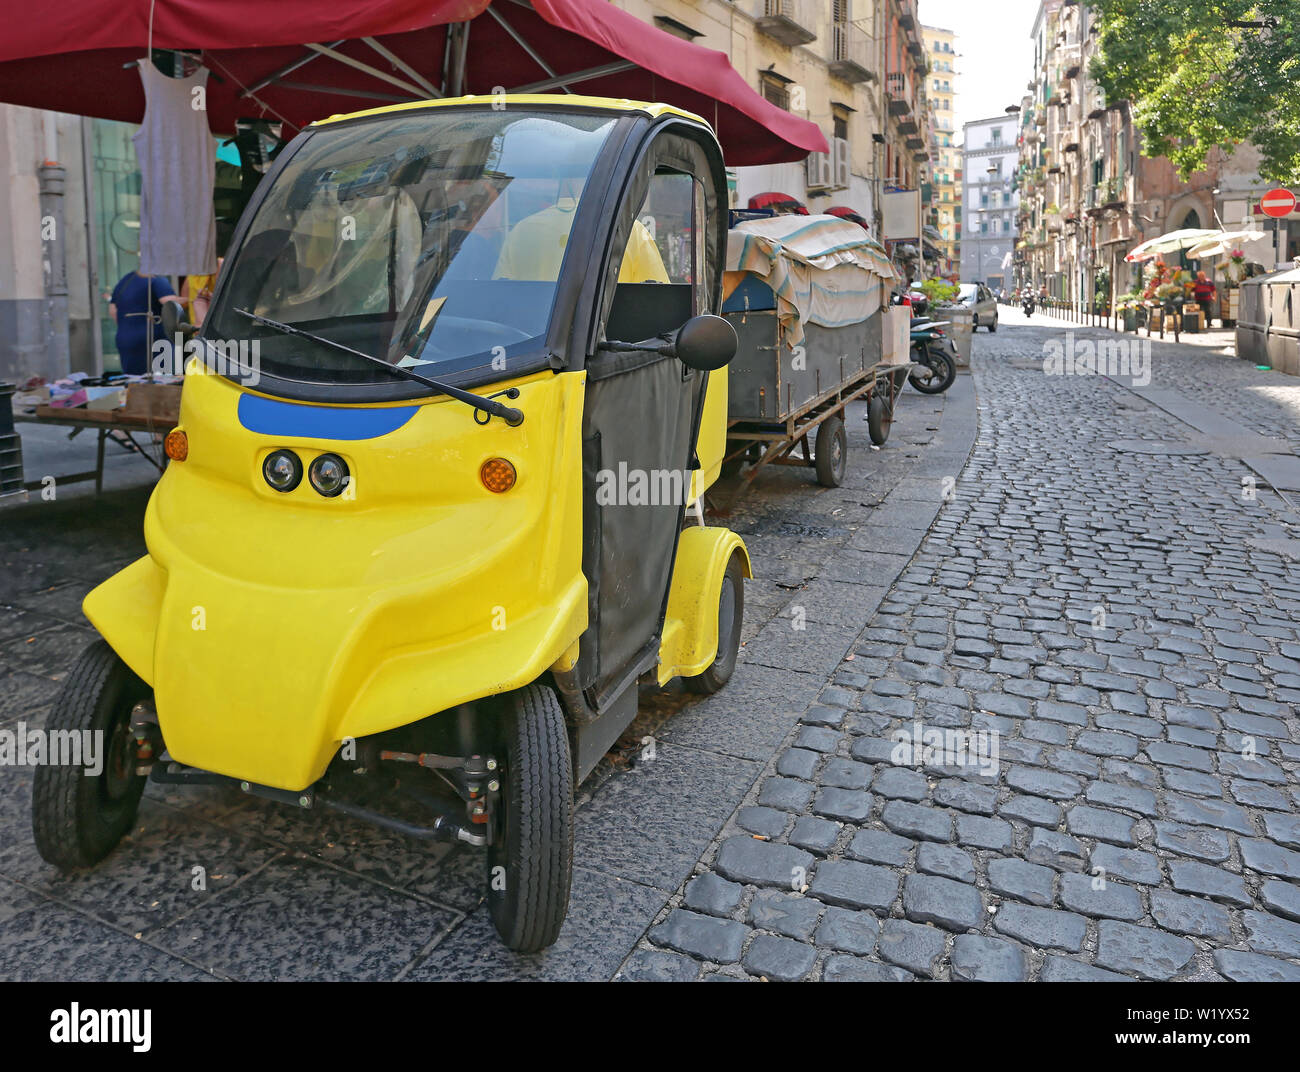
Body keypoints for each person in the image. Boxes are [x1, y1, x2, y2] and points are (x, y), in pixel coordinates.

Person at [109, 270, 185, 374]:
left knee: (134, 382)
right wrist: (195, 299)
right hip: (152, 340)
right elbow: (168, 302)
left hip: (125, 339)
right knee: (162, 382)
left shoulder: (126, 280)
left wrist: (129, 328)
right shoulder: (157, 280)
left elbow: (113, 310)